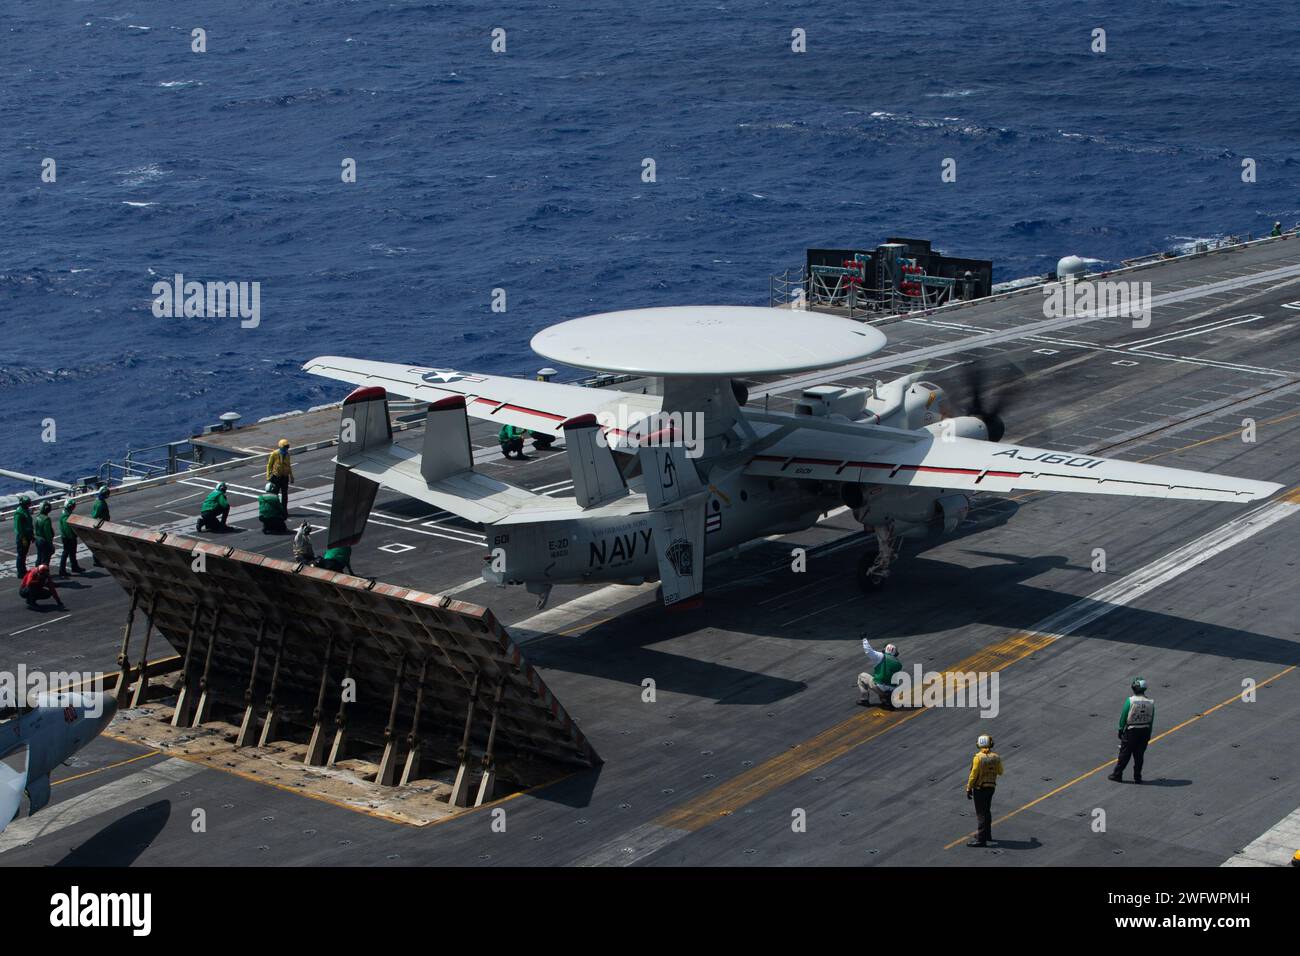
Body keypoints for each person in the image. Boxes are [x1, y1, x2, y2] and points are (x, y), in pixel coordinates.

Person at [1109, 677, 1155, 784]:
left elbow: (1124, 716)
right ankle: (1137, 777)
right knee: (1139, 756)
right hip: (1144, 731)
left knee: (1124, 754)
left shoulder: (1130, 700)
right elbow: (1151, 720)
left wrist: (1121, 729)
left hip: (1131, 732)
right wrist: (1149, 733)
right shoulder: (1151, 702)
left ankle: (1117, 775)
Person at [965, 734, 1004, 847]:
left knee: (981, 814)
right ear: (991, 744)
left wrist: (968, 788)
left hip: (979, 788)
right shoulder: (996, 757)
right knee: (987, 811)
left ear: (978, 744)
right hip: (991, 788)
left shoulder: (978, 758)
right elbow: (1000, 772)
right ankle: (987, 835)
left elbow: (973, 775)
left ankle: (981, 840)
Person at [856, 636, 902, 708]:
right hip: (892, 689)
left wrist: (864, 639)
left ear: (885, 650)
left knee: (861, 676)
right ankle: (886, 700)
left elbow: (869, 651)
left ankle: (864, 700)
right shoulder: (898, 664)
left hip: (880, 687)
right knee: (883, 680)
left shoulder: (881, 656)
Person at [266, 439, 294, 512]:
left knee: (285, 495)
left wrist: (291, 476)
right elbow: (269, 465)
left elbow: (288, 466)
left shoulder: (287, 454)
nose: (286, 449)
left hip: (285, 477)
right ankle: (275, 510)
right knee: (275, 495)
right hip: (276, 477)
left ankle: (284, 510)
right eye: (285, 447)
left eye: (287, 447)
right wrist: (268, 476)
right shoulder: (274, 454)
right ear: (281, 447)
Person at [58, 499, 84, 576]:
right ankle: (62, 570)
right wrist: (71, 537)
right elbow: (67, 529)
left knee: (72, 553)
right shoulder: (66, 516)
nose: (73, 507)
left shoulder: (67, 513)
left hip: (69, 537)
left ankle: (74, 567)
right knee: (66, 553)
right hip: (68, 538)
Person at [12, 495, 33, 577]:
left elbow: (29, 523)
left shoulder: (26, 510)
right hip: (22, 538)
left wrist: (31, 535)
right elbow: (18, 528)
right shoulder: (19, 513)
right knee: (21, 555)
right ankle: (20, 572)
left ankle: (23, 569)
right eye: (28, 503)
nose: (29, 505)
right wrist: (23, 538)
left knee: (24, 554)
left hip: (27, 536)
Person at [89, 485, 110, 566]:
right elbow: (95, 515)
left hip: (101, 524)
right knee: (100, 544)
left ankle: (98, 560)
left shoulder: (98, 500)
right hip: (101, 525)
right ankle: (97, 561)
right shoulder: (100, 504)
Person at [33, 501, 55, 567]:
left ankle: (36, 570)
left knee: (39, 557)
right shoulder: (46, 519)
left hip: (37, 539)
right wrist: (51, 545)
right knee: (45, 559)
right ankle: (43, 572)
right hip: (44, 541)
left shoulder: (37, 517)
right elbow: (47, 534)